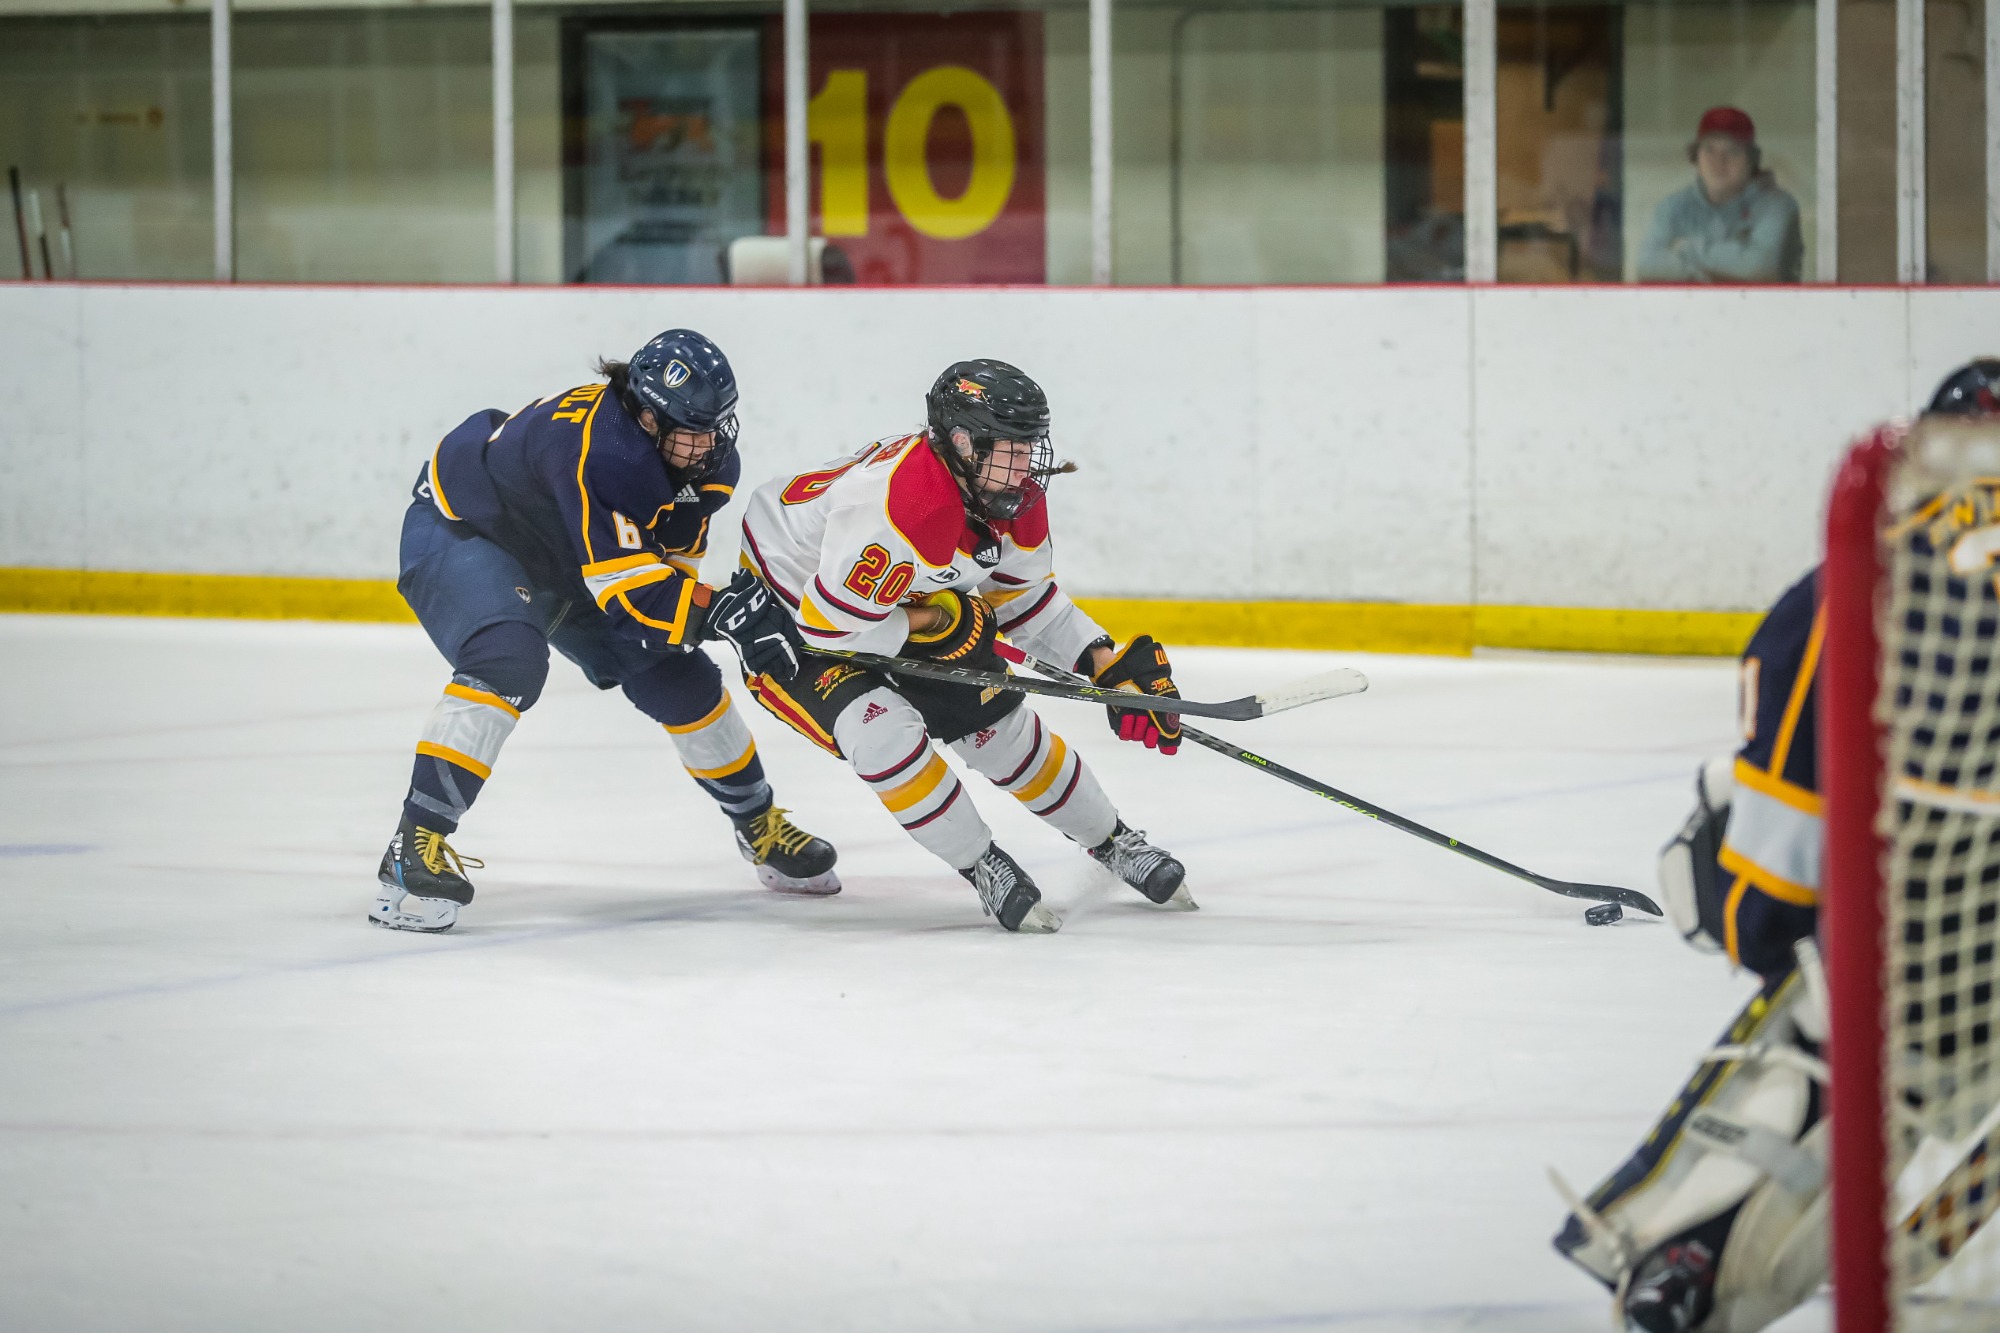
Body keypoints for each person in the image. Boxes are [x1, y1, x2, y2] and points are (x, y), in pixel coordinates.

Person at [1550, 359, 2000, 1332]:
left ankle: (1685, 1262)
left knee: (1822, 1033)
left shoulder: (1877, 557)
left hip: (1941, 939)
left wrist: (1767, 930)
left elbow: (1788, 784)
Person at [372, 329, 839, 932]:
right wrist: (718, 610)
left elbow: (665, 578)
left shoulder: (708, 462)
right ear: (646, 416)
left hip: (567, 552)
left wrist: (714, 617)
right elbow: (633, 592)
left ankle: (759, 825)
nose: (706, 445)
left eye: (714, 426)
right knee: (506, 658)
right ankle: (415, 843)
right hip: (470, 527)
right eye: (689, 430)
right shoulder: (602, 450)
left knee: (681, 678)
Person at [732, 359, 1191, 933]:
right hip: (790, 609)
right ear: (962, 442)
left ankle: (1115, 841)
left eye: (1030, 448)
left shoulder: (1007, 493)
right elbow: (827, 629)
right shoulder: (906, 511)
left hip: (884, 597)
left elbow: (1021, 601)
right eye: (1010, 449)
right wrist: (928, 620)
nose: (1025, 467)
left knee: (997, 727)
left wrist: (1102, 661)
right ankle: (983, 866)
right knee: (880, 733)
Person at [1637, 107, 1803, 285]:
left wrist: (1688, 249)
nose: (1719, 161)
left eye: (1733, 151)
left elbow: (1758, 267)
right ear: (1696, 158)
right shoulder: (1673, 206)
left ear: (1751, 161)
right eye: (1709, 149)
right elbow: (1647, 266)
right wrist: (1708, 273)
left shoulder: (1776, 205)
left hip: (1767, 310)